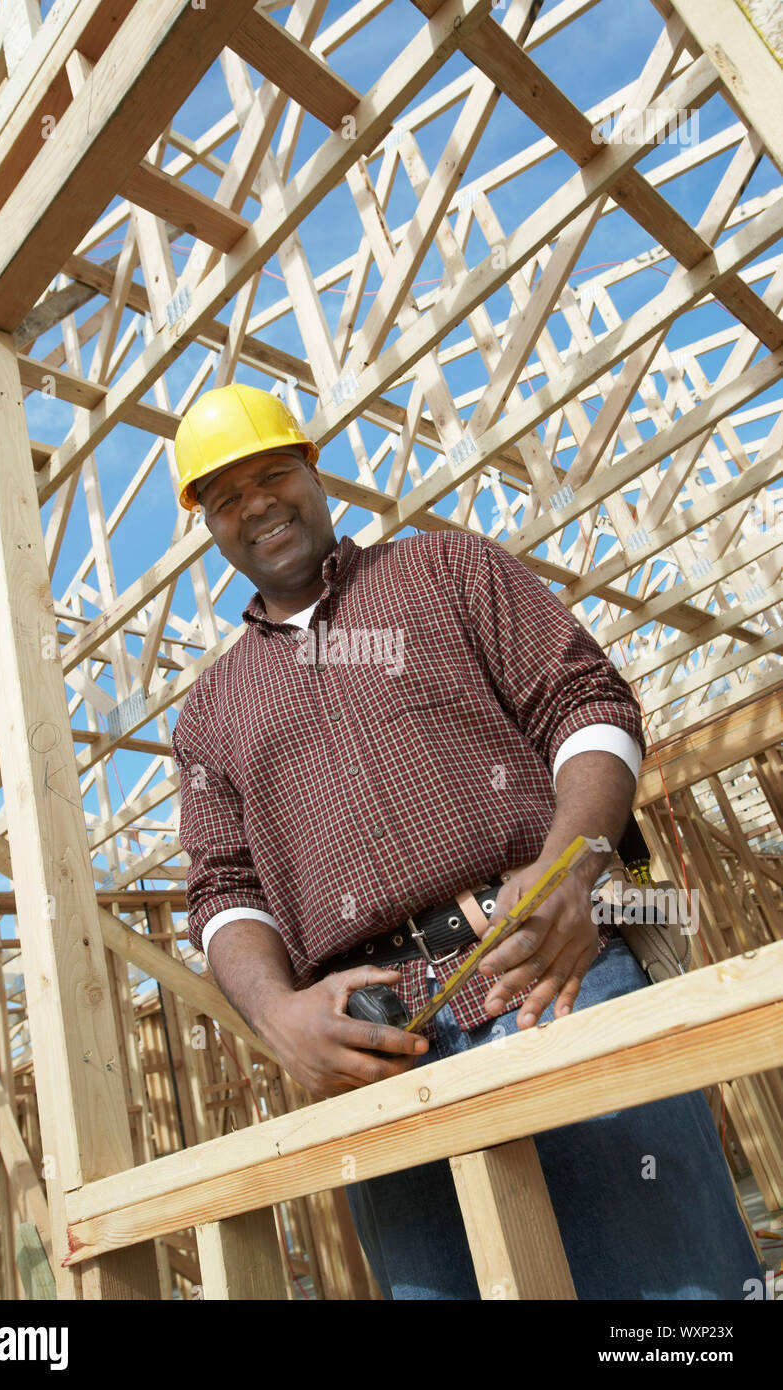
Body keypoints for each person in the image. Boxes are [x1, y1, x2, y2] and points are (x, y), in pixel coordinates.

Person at [171, 383, 763, 1300]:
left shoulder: (447, 571)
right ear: (206, 526)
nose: (256, 504)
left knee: (675, 1308)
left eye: (272, 473)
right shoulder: (210, 712)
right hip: (375, 1051)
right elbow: (221, 891)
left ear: (314, 471)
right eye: (224, 496)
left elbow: (588, 706)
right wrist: (279, 1015)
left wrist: (577, 871)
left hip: (548, 976)